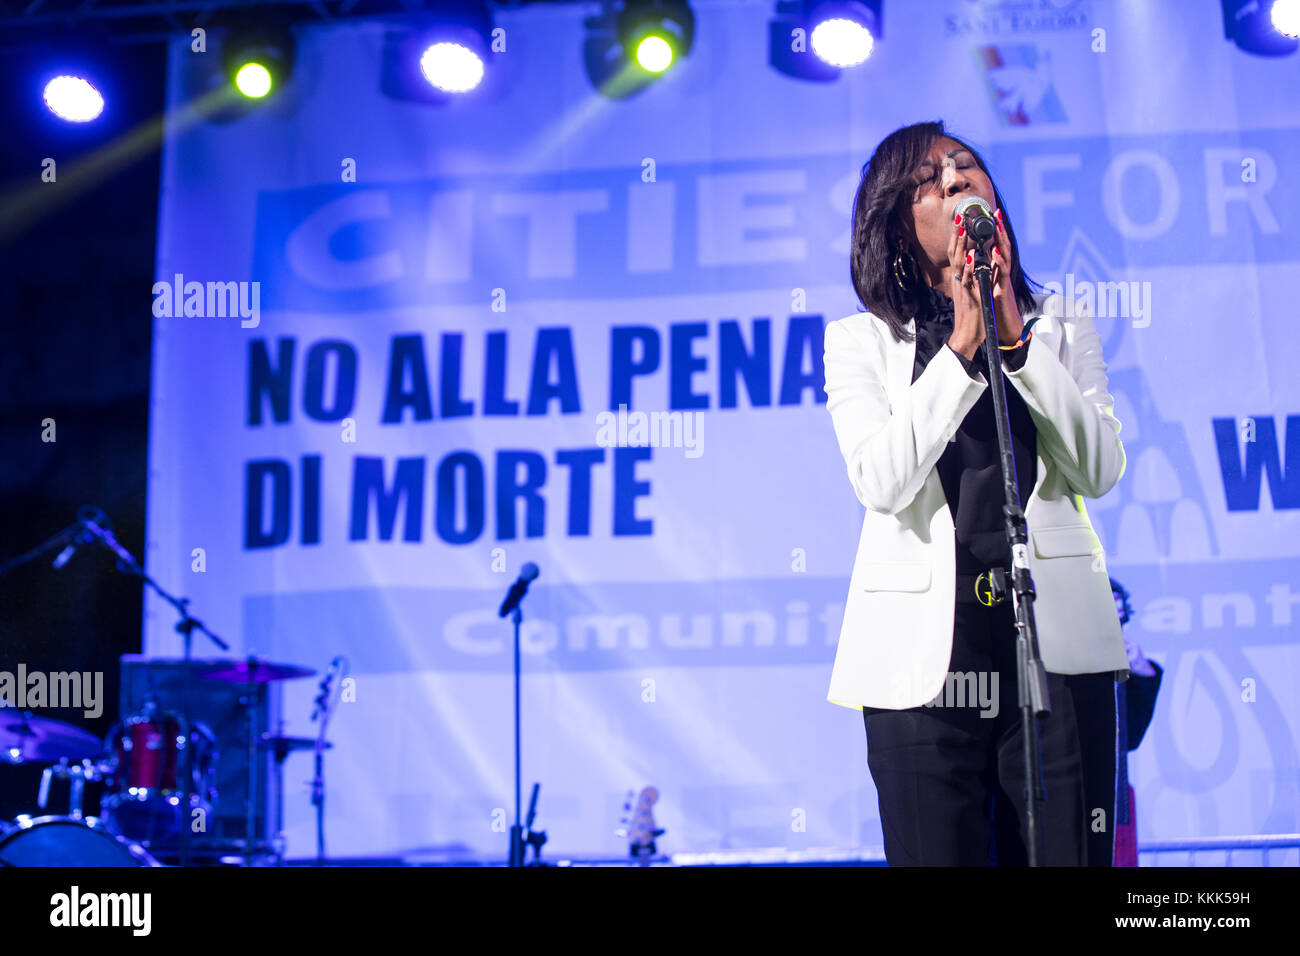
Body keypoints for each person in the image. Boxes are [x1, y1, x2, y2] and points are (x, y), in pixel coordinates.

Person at [823, 120, 1131, 866]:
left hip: (1051, 649)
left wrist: (1014, 340)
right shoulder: (860, 342)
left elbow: (1099, 468)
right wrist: (961, 349)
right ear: (897, 228)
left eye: (966, 167)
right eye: (931, 180)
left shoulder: (1061, 324)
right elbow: (882, 479)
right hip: (921, 668)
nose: (957, 181)